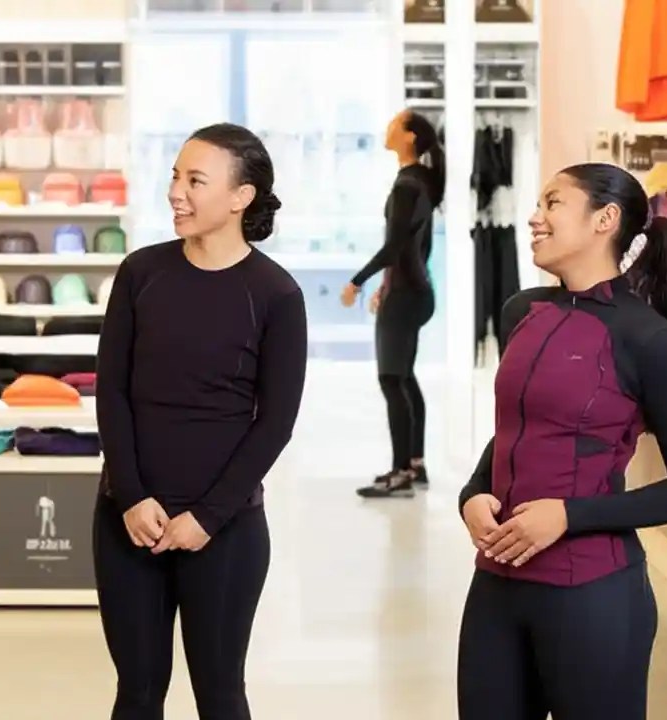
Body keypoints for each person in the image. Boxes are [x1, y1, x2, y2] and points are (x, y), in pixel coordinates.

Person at [456, 163, 667, 720]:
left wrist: (566, 517)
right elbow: (516, 428)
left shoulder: (651, 340)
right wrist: (474, 492)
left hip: (593, 596)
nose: (534, 217)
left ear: (605, 219)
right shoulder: (522, 311)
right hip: (497, 587)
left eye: (552, 203)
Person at [94, 123, 308, 720]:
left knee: (220, 694)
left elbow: (276, 422)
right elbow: (111, 390)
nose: (176, 192)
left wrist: (208, 518)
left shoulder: (275, 294)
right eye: (174, 176)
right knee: (136, 692)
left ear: (241, 197)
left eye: (195, 180)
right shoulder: (141, 273)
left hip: (225, 531)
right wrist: (131, 498)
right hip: (128, 520)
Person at [341, 109, 445, 498]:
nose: (387, 127)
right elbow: (417, 247)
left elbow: (395, 246)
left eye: (394, 124)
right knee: (404, 377)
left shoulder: (408, 185)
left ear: (409, 138)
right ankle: (414, 464)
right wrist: (387, 285)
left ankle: (400, 472)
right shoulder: (420, 182)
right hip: (413, 290)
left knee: (391, 379)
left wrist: (358, 281)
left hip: (407, 295)